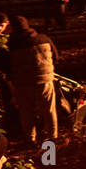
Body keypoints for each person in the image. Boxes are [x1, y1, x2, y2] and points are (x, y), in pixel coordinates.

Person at [7, 16, 59, 145]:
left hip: (22, 82)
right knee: (49, 109)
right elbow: (56, 56)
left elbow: (7, 65)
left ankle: (30, 138)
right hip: (44, 78)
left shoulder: (11, 44)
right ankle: (53, 135)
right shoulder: (44, 39)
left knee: (26, 111)